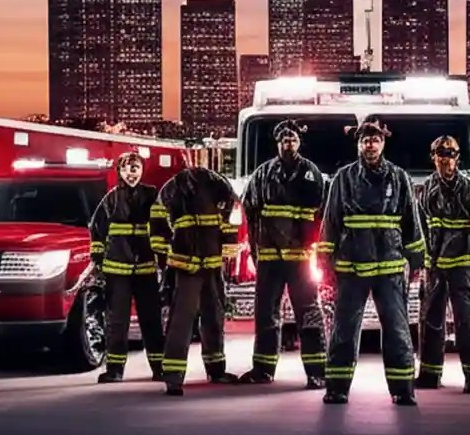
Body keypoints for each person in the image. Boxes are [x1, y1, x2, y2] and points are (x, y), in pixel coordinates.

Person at [317, 116, 426, 406]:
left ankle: (403, 390)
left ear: (383, 142)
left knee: (398, 331)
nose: (370, 144)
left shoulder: (400, 177)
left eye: (375, 139)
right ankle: (337, 388)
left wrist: (416, 260)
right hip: (352, 268)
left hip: (389, 269)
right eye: (365, 140)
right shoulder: (344, 178)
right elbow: (331, 222)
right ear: (358, 144)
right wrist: (326, 262)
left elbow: (411, 223)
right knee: (344, 330)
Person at [238, 119, 328, 389]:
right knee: (266, 314)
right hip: (270, 259)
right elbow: (250, 213)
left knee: (309, 312)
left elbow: (322, 216)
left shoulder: (311, 173)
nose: (289, 143)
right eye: (284, 140)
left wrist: (317, 251)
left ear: (299, 143)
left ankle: (317, 371)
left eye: (293, 139)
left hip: (300, 259)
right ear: (277, 143)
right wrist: (256, 250)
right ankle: (263, 369)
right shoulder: (262, 175)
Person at [156, 159, 241, 396]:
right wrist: (164, 255)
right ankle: (173, 377)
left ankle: (216, 370)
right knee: (181, 321)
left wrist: (228, 250)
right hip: (188, 266)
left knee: (213, 317)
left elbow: (232, 217)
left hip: (209, 264)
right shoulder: (176, 186)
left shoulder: (216, 184)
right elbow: (158, 219)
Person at [415, 135, 470, 394]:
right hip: (434, 264)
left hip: (461, 263)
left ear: (458, 158)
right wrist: (423, 261)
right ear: (433, 156)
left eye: (451, 153)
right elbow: (420, 228)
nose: (446, 158)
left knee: (466, 320)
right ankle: (429, 374)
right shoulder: (425, 191)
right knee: (430, 319)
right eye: (441, 153)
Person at [89, 151, 166, 383]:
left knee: (151, 320)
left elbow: (163, 227)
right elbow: (97, 232)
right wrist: (99, 264)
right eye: (127, 168)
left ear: (142, 171)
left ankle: (159, 367)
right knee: (117, 321)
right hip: (117, 270)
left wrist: (163, 262)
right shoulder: (110, 200)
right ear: (119, 172)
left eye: (136, 168)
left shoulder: (153, 196)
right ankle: (115, 370)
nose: (131, 173)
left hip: (145, 268)